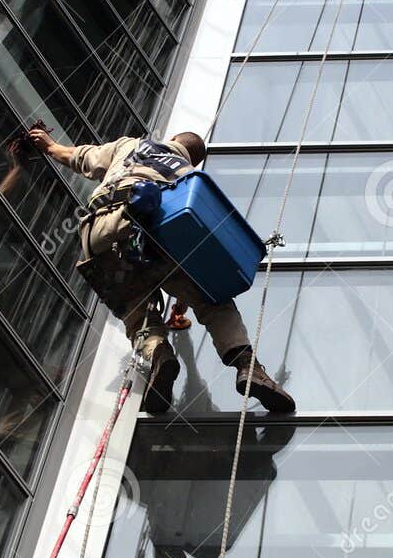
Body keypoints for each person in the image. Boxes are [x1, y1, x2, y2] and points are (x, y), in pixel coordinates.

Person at [28, 126, 296, 416]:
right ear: (191, 159)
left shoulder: (130, 146)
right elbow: (191, 244)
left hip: (104, 230)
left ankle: (160, 355)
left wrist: (48, 144)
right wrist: (185, 301)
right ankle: (248, 366)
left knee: (136, 310)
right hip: (160, 237)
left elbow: (77, 156)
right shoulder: (187, 177)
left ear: (173, 140)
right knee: (214, 304)